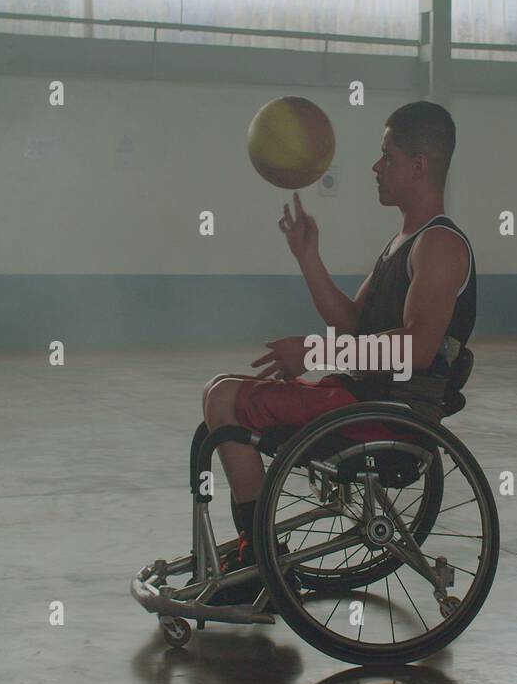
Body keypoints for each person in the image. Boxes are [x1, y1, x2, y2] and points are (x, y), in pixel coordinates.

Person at [201, 100, 477, 604]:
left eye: (386, 156)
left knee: (223, 401)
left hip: (388, 415)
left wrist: (317, 351)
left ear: (418, 166)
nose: (376, 167)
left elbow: (416, 350)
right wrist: (309, 256)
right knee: (221, 393)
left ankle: (258, 559)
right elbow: (352, 321)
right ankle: (256, 550)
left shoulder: (440, 246)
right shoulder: (405, 242)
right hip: (362, 399)